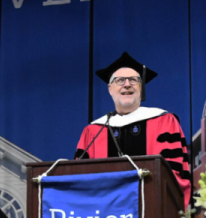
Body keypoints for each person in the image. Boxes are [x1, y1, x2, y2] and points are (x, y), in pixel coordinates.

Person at [74, 51, 192, 206]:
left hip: (152, 210)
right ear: (110, 89)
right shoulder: (93, 131)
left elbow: (174, 172)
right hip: (103, 216)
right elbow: (80, 178)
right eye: (120, 80)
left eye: (134, 80)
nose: (127, 84)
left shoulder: (164, 121)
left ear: (141, 88)